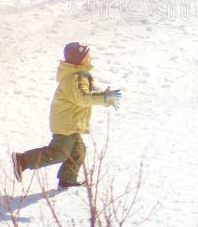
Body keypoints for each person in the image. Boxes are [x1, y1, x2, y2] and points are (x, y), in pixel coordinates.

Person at [11, 42, 122, 189]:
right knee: (58, 153)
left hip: (72, 123)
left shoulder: (80, 75)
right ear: (78, 60)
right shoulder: (73, 79)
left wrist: (106, 98)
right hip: (66, 124)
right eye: (87, 55)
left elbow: (91, 91)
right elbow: (83, 98)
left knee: (79, 151)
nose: (90, 57)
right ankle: (22, 160)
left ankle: (68, 179)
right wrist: (104, 98)